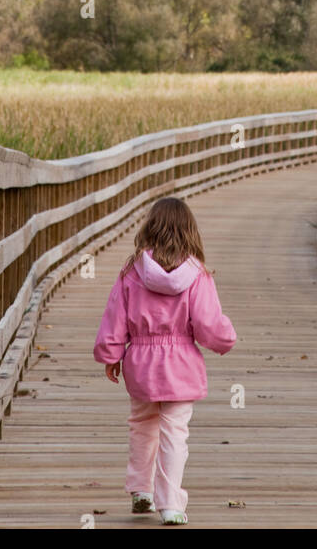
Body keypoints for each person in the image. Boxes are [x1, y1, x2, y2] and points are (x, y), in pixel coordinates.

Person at [93, 196, 236, 525]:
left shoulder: (132, 272)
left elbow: (115, 317)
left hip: (141, 364)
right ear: (190, 233)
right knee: (175, 432)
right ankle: (170, 504)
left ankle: (141, 489)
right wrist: (225, 338)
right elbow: (207, 323)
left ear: (150, 230)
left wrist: (111, 354)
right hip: (180, 365)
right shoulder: (197, 276)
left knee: (142, 426)